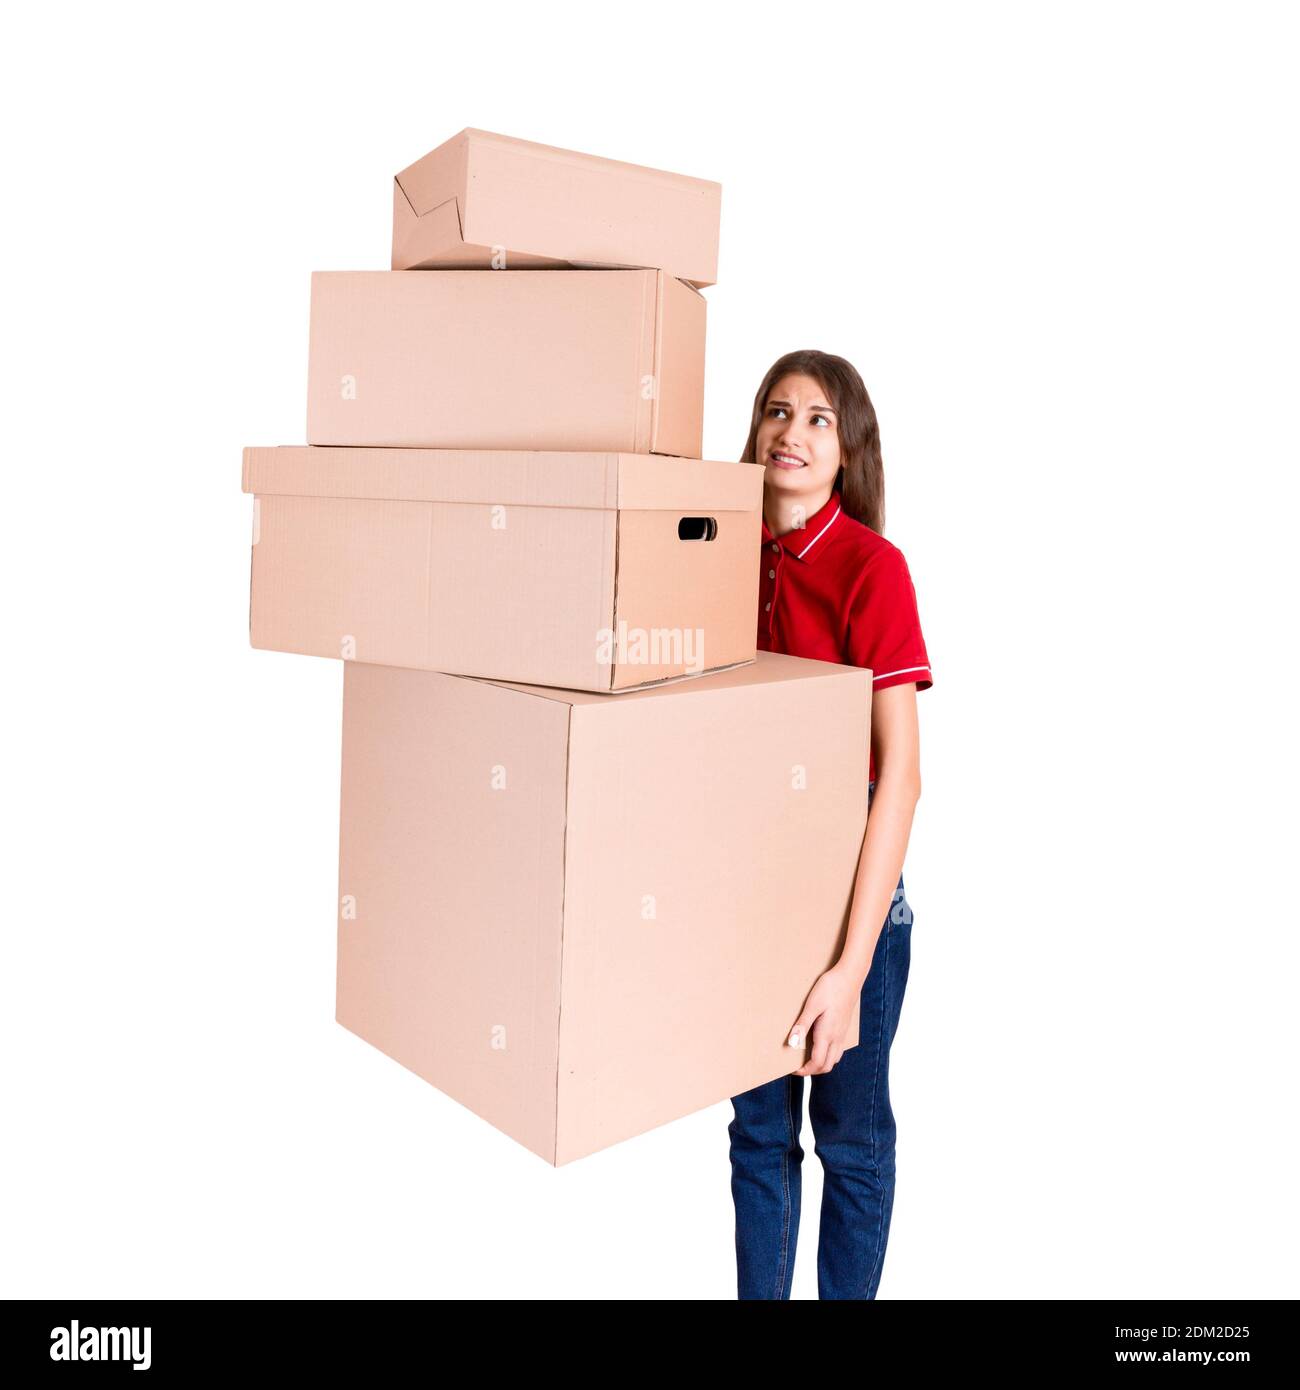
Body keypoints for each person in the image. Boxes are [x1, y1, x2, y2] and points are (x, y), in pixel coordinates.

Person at [727, 349, 932, 1300]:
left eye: (818, 418)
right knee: (760, 1138)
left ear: (848, 447)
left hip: (854, 906)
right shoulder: (714, 552)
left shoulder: (871, 569)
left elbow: (901, 781)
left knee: (852, 1143)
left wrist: (848, 971)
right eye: (778, 411)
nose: (792, 433)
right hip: (747, 897)